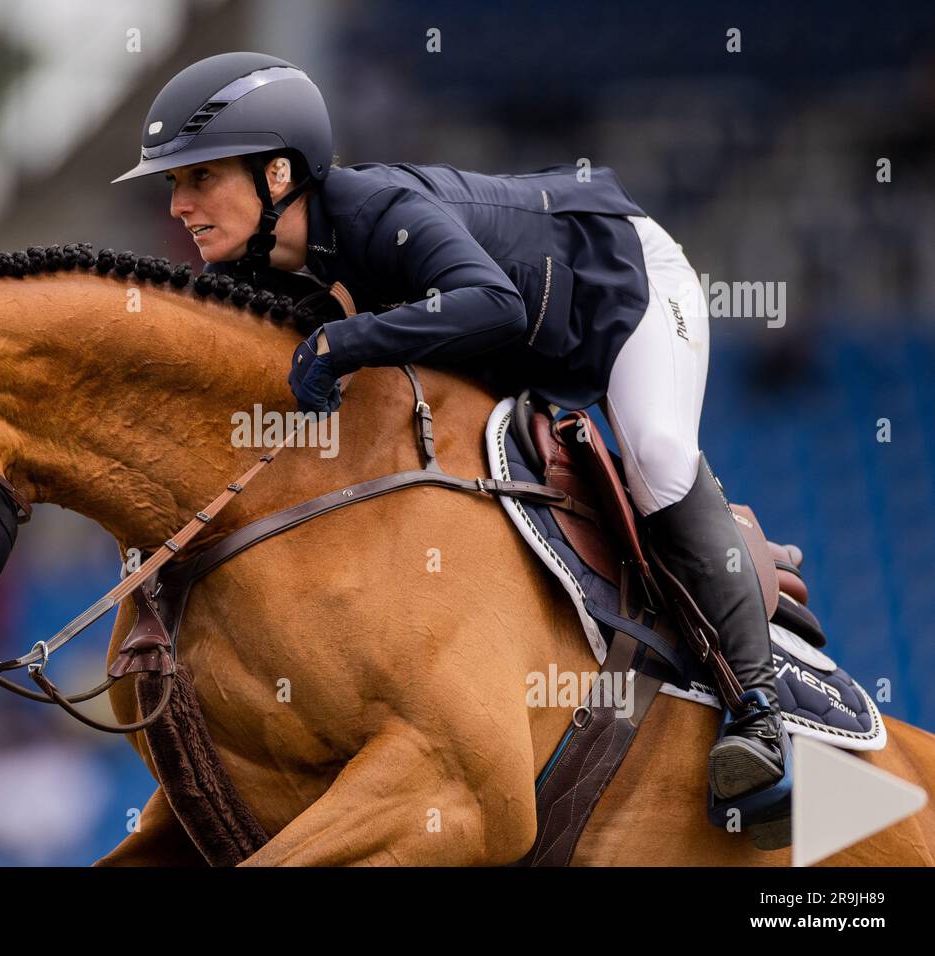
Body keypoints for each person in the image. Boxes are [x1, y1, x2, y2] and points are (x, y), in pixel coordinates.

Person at [112, 52, 786, 810]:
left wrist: (346, 342)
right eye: (175, 184)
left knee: (658, 455)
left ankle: (758, 714)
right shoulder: (267, 265)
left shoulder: (374, 211)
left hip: (623, 282)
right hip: (520, 344)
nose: (178, 206)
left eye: (200, 178)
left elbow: (492, 302)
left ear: (276, 176)